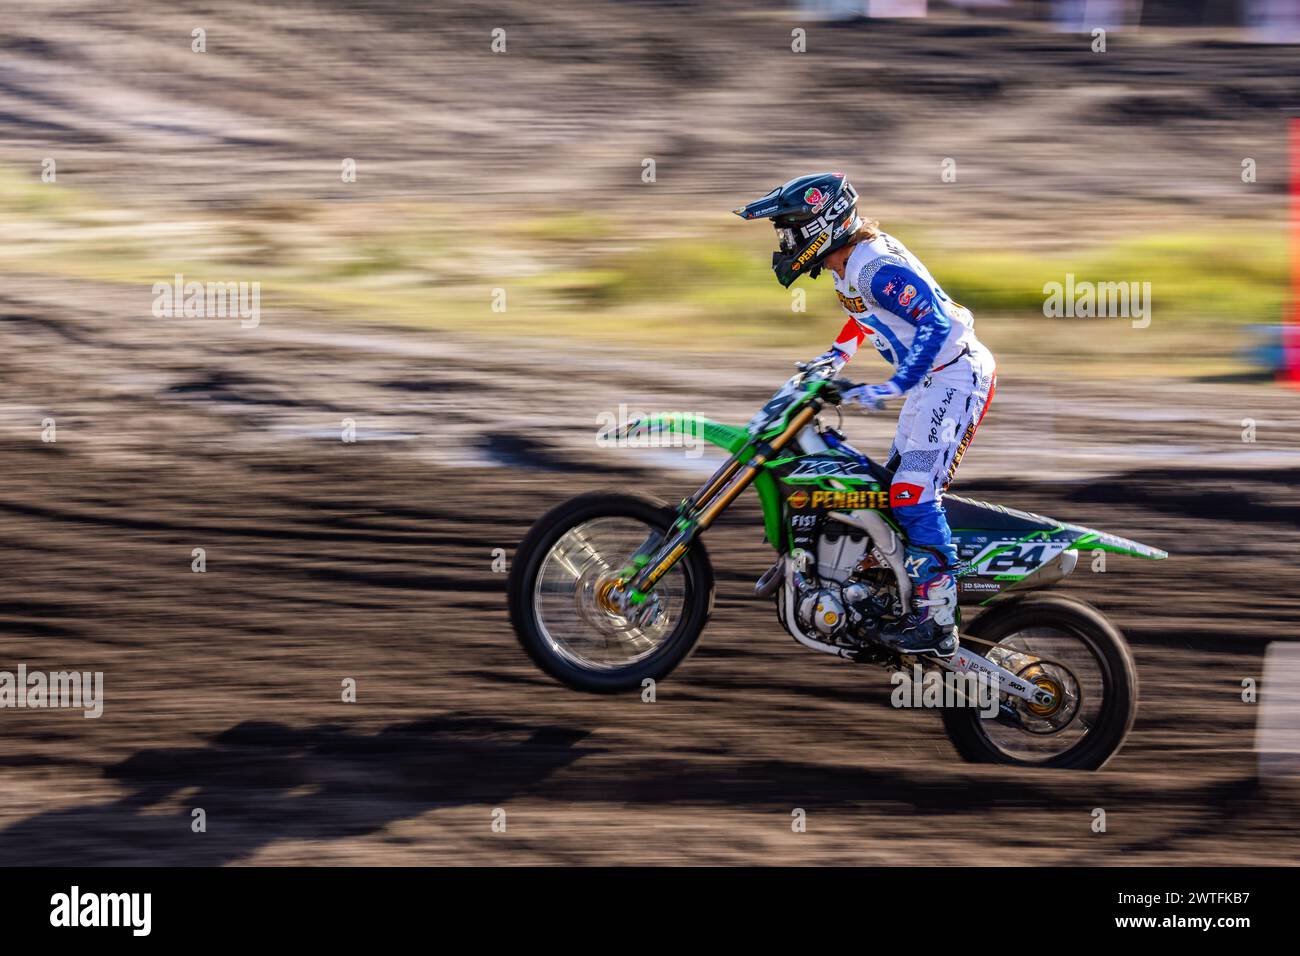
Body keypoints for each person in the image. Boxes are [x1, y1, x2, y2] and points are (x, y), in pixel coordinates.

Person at [734, 172, 996, 657]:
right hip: (933, 381)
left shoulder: (874, 267)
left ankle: (938, 618)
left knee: (912, 494)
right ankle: (877, 589)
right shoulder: (848, 264)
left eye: (791, 229)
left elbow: (935, 323)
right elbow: (865, 315)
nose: (785, 242)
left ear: (822, 224)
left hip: (955, 377)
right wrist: (832, 360)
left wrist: (896, 383)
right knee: (881, 495)